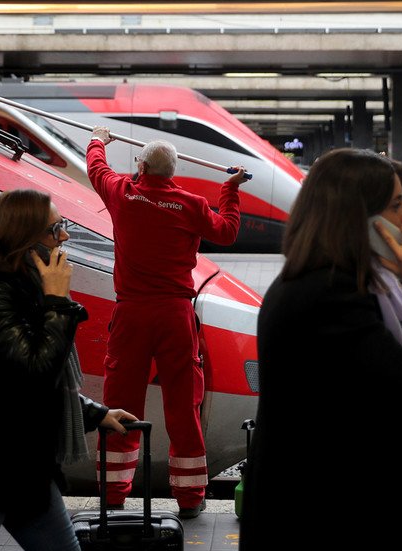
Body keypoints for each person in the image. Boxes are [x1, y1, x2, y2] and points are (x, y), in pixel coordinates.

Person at [239, 149, 402, 549]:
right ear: (359, 217)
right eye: (397, 204)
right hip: (324, 520)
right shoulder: (329, 294)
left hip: (336, 511)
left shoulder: (352, 285)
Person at [0, 188, 137, 551]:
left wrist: (95, 413)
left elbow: (30, 381)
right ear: (23, 241)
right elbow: (32, 374)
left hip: (23, 465)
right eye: (55, 230)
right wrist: (57, 304)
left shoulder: (24, 291)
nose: (64, 237)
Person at [86, 127, 247, 518]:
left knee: (120, 402)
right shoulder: (190, 204)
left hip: (132, 315)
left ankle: (113, 493)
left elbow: (96, 168)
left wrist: (98, 139)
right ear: (173, 173)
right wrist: (230, 190)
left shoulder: (123, 193)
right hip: (176, 316)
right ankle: (190, 498)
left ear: (141, 166)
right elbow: (226, 231)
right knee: (183, 406)